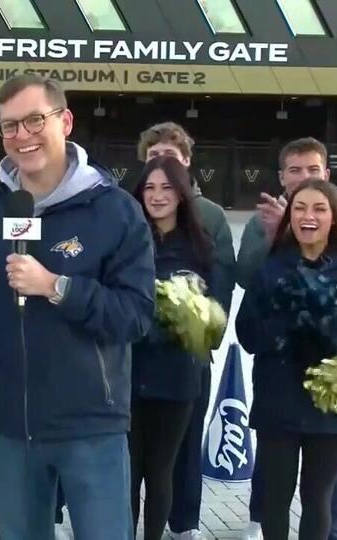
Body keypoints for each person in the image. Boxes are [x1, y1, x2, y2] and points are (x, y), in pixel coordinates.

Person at [0, 74, 156, 540]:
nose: (23, 136)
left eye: (35, 120)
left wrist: (58, 286)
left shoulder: (116, 212)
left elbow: (136, 315)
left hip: (91, 424)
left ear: (66, 121)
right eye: (10, 126)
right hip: (9, 427)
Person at [236, 178, 337, 539]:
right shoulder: (272, 268)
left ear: (334, 219)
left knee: (319, 498)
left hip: (334, 405)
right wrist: (285, 330)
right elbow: (246, 332)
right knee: (275, 498)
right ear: (289, 218)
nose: (308, 216)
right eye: (299, 208)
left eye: (319, 209)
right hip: (278, 399)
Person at [137, 121, 236, 540]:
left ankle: (179, 526)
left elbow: (219, 303)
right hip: (130, 372)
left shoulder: (204, 236)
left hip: (181, 374)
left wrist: (195, 328)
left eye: (168, 184)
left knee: (168, 465)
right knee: (128, 467)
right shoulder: (128, 233)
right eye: (150, 184)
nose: (158, 194)